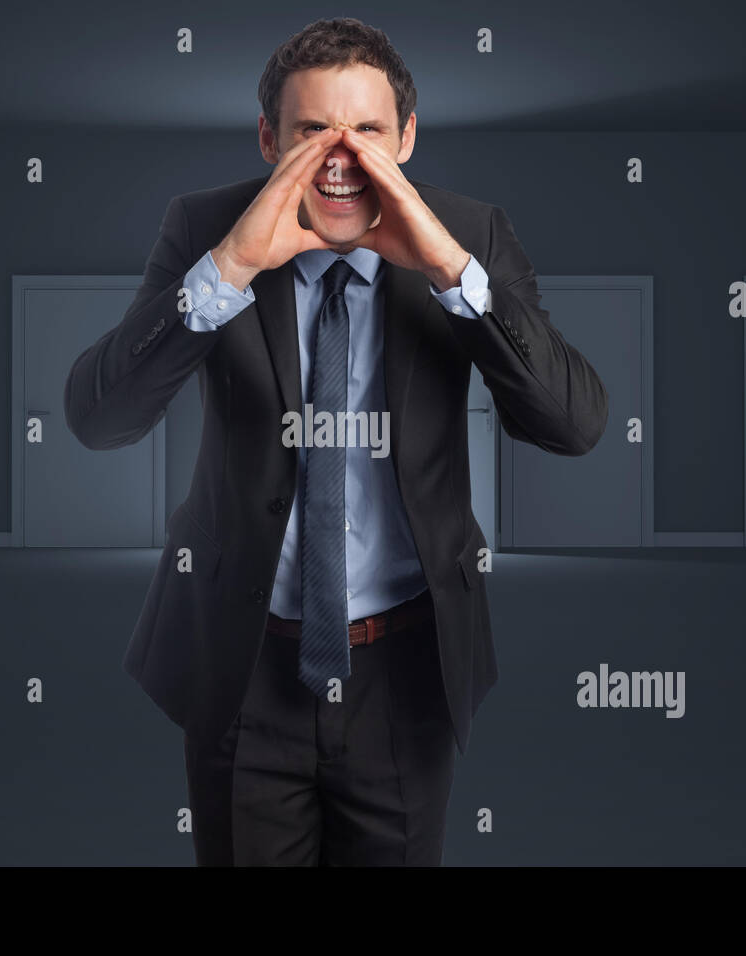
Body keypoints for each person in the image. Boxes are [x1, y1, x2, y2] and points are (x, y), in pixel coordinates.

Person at [64, 16, 608, 865]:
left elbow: (573, 425)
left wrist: (451, 275)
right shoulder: (203, 225)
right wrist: (230, 270)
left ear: (409, 138)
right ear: (269, 138)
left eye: (369, 133)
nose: (341, 159)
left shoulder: (472, 234)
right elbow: (100, 419)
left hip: (406, 672)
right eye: (313, 131)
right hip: (242, 662)